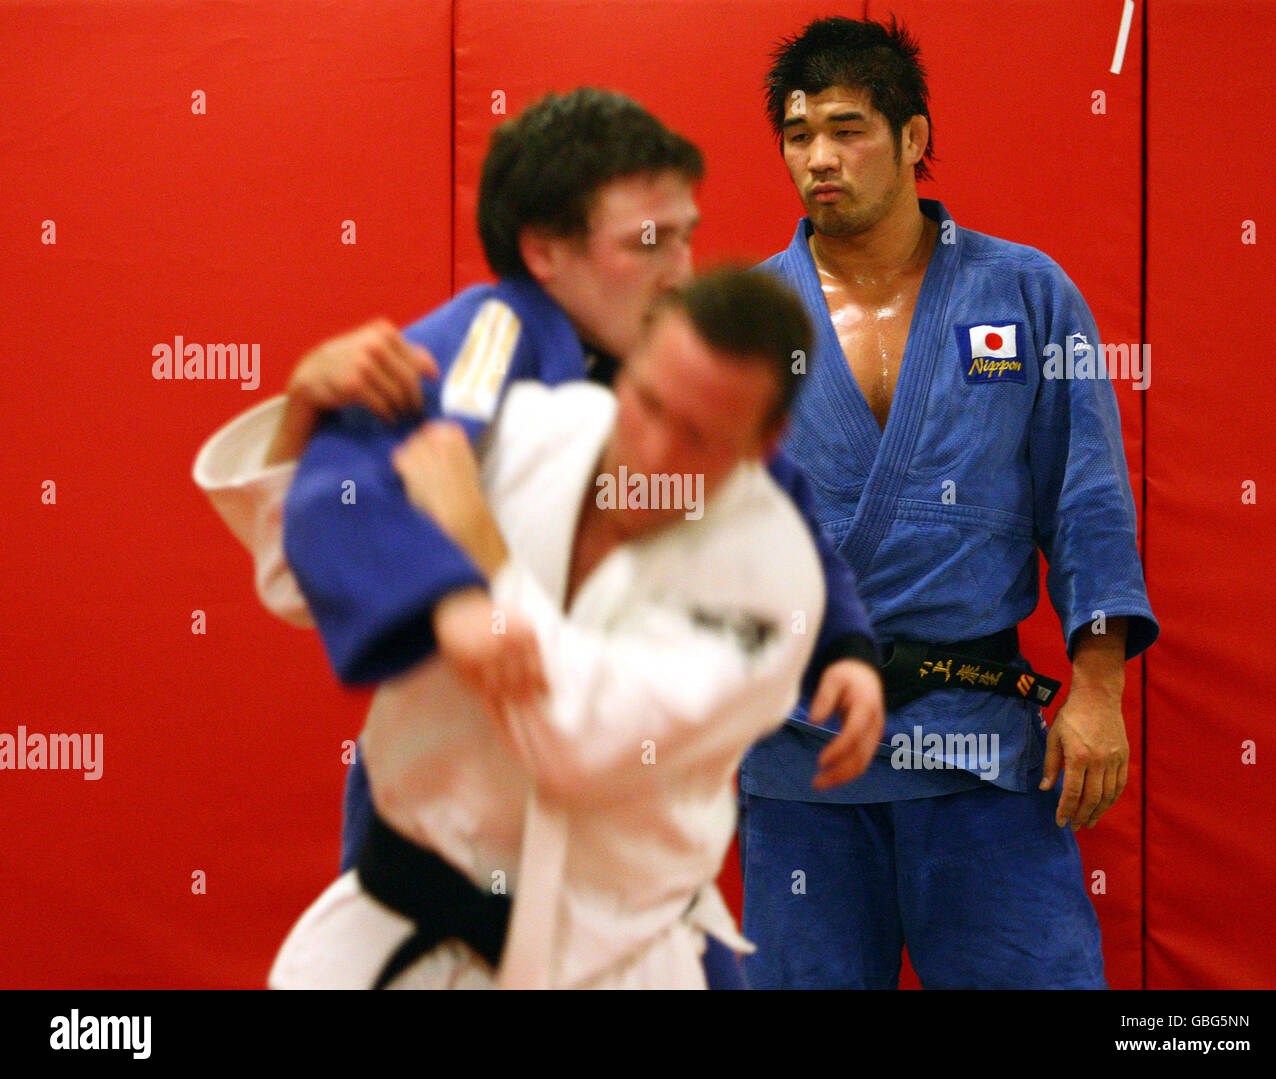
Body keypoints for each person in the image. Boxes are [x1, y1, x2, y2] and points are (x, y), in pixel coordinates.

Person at [192, 88, 884, 986]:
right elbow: (357, 493)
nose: (680, 267)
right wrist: (445, 591)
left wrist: (847, 642)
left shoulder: (685, 373)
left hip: (626, 920)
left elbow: (780, 501)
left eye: (686, 233)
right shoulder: (492, 343)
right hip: (442, 866)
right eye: (648, 241)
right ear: (545, 251)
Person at [736, 16, 1159, 989]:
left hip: (978, 747)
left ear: (914, 137)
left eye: (845, 128)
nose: (817, 158)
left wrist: (1097, 686)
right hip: (800, 751)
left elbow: (1086, 499)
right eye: (797, 135)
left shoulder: (1023, 293)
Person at [269, 269, 826, 988]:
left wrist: (480, 556)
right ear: (627, 367)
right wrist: (305, 414)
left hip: (613, 965)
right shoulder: (527, 429)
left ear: (764, 441)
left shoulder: (771, 578)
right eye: (648, 404)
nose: (655, 455)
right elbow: (304, 573)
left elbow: (583, 742)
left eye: (698, 437)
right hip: (394, 934)